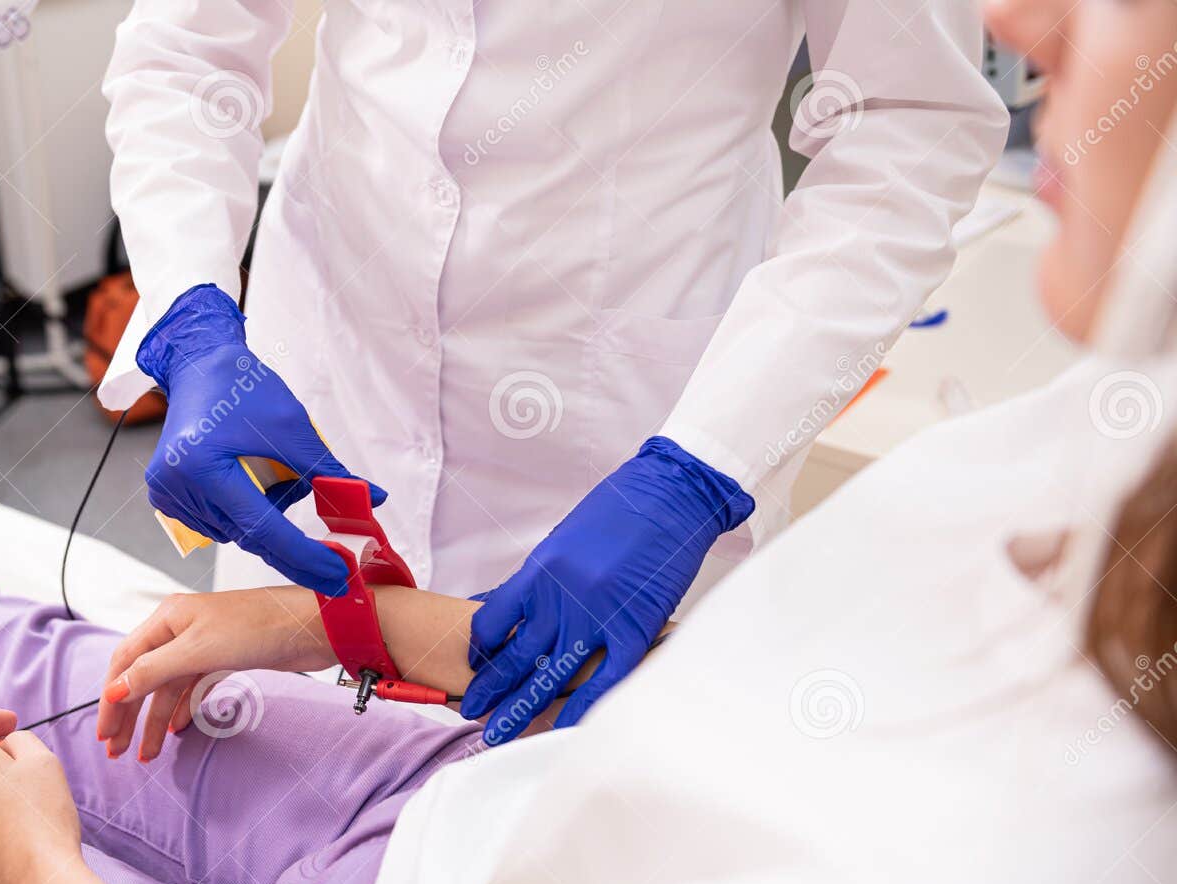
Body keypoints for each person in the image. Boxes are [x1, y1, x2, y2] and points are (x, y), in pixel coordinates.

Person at [0, 0, 1174, 884]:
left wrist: (29, 881)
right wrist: (210, 341)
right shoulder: (1071, 469)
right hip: (469, 768)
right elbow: (191, 39)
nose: (1032, 15)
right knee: (50, 659)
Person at [97, 1, 1010, 741]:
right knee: (286, 794)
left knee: (565, 870)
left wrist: (700, 471)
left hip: (631, 432)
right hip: (332, 365)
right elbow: (186, 46)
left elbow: (910, 125)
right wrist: (190, 316)